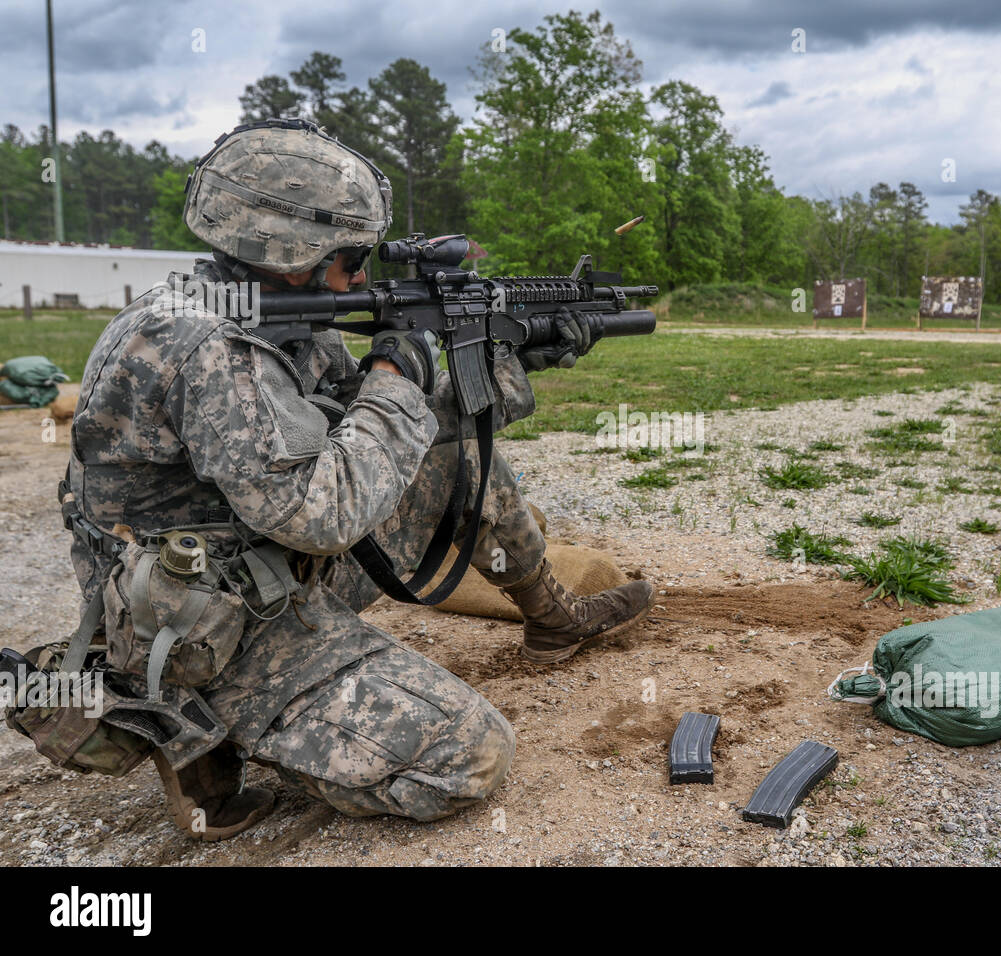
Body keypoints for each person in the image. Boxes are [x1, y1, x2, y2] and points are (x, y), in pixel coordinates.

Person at [55, 117, 654, 841]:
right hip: (205, 627)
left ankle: (553, 622)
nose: (364, 278)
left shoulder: (258, 310)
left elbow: (386, 431)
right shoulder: (207, 348)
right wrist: (396, 370)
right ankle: (204, 730)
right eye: (350, 258)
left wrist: (508, 359)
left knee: (461, 457)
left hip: (262, 571)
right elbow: (325, 510)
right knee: (469, 756)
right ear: (290, 252)